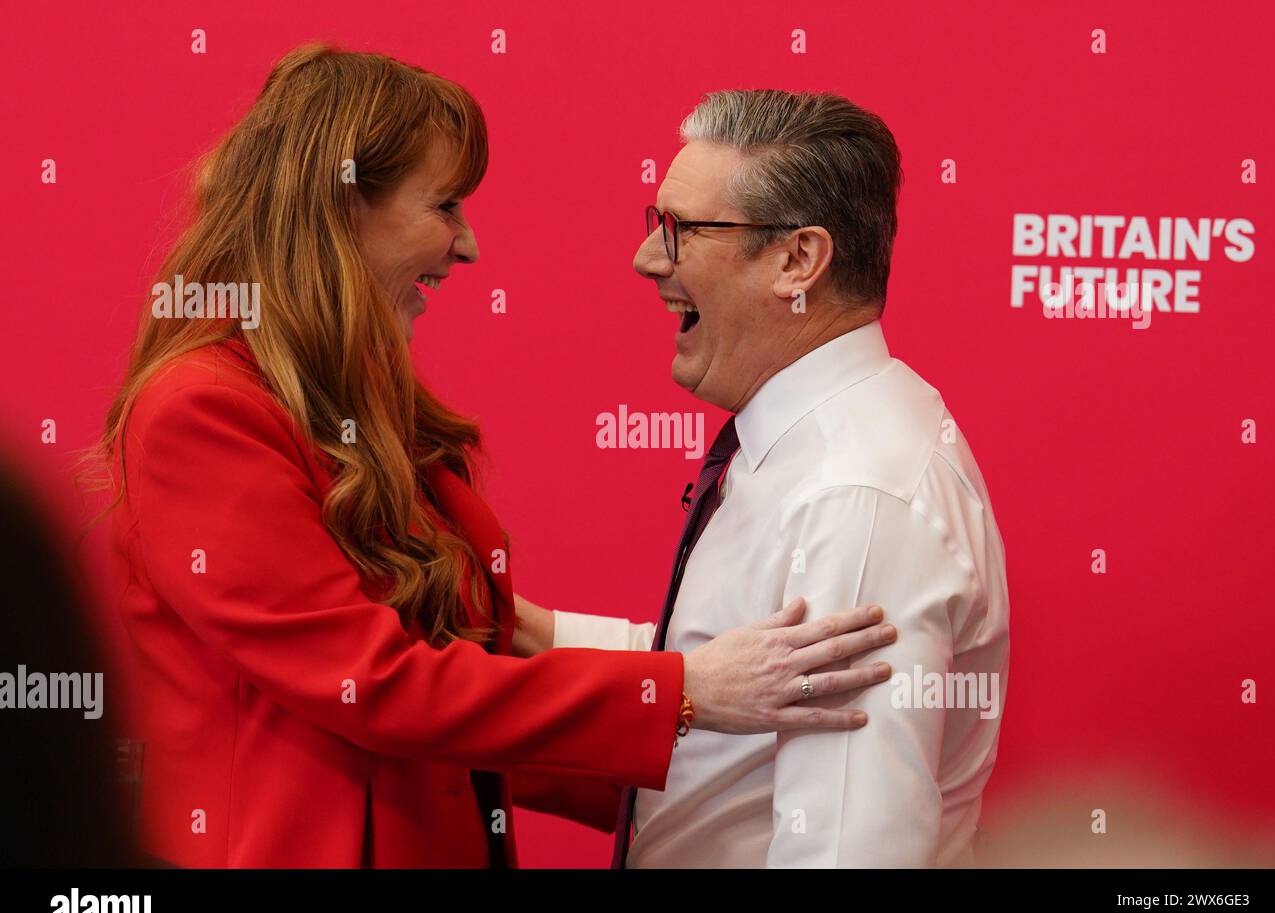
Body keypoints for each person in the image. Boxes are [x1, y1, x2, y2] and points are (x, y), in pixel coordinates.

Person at [84, 46, 900, 868]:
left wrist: (679, 721)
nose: (468, 246)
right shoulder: (202, 412)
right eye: (445, 206)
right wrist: (681, 695)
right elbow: (374, 681)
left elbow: (468, 655)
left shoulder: (361, 404)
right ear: (341, 211)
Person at [515, 90, 1011, 868]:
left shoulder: (856, 496)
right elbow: (736, 670)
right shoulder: (810, 447)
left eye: (681, 230)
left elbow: (847, 853)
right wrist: (529, 629)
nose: (647, 259)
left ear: (796, 262)